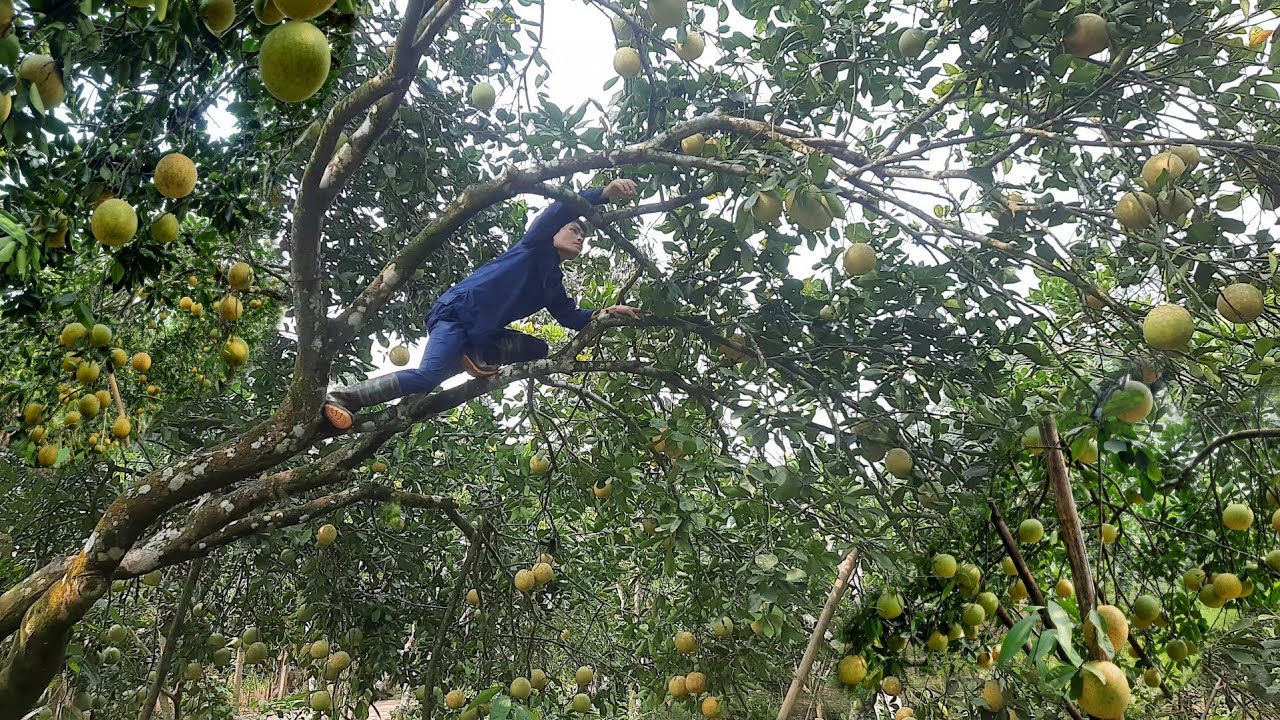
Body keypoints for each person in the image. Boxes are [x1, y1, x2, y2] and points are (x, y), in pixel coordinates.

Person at [323, 179, 642, 430]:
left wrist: (607, 313)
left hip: (480, 334)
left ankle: (466, 363)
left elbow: (571, 317)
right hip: (457, 316)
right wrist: (603, 193)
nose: (579, 238)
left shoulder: (551, 283)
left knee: (537, 349)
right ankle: (345, 396)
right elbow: (559, 210)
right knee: (427, 377)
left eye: (583, 238)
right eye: (574, 230)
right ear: (554, 233)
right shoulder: (533, 245)